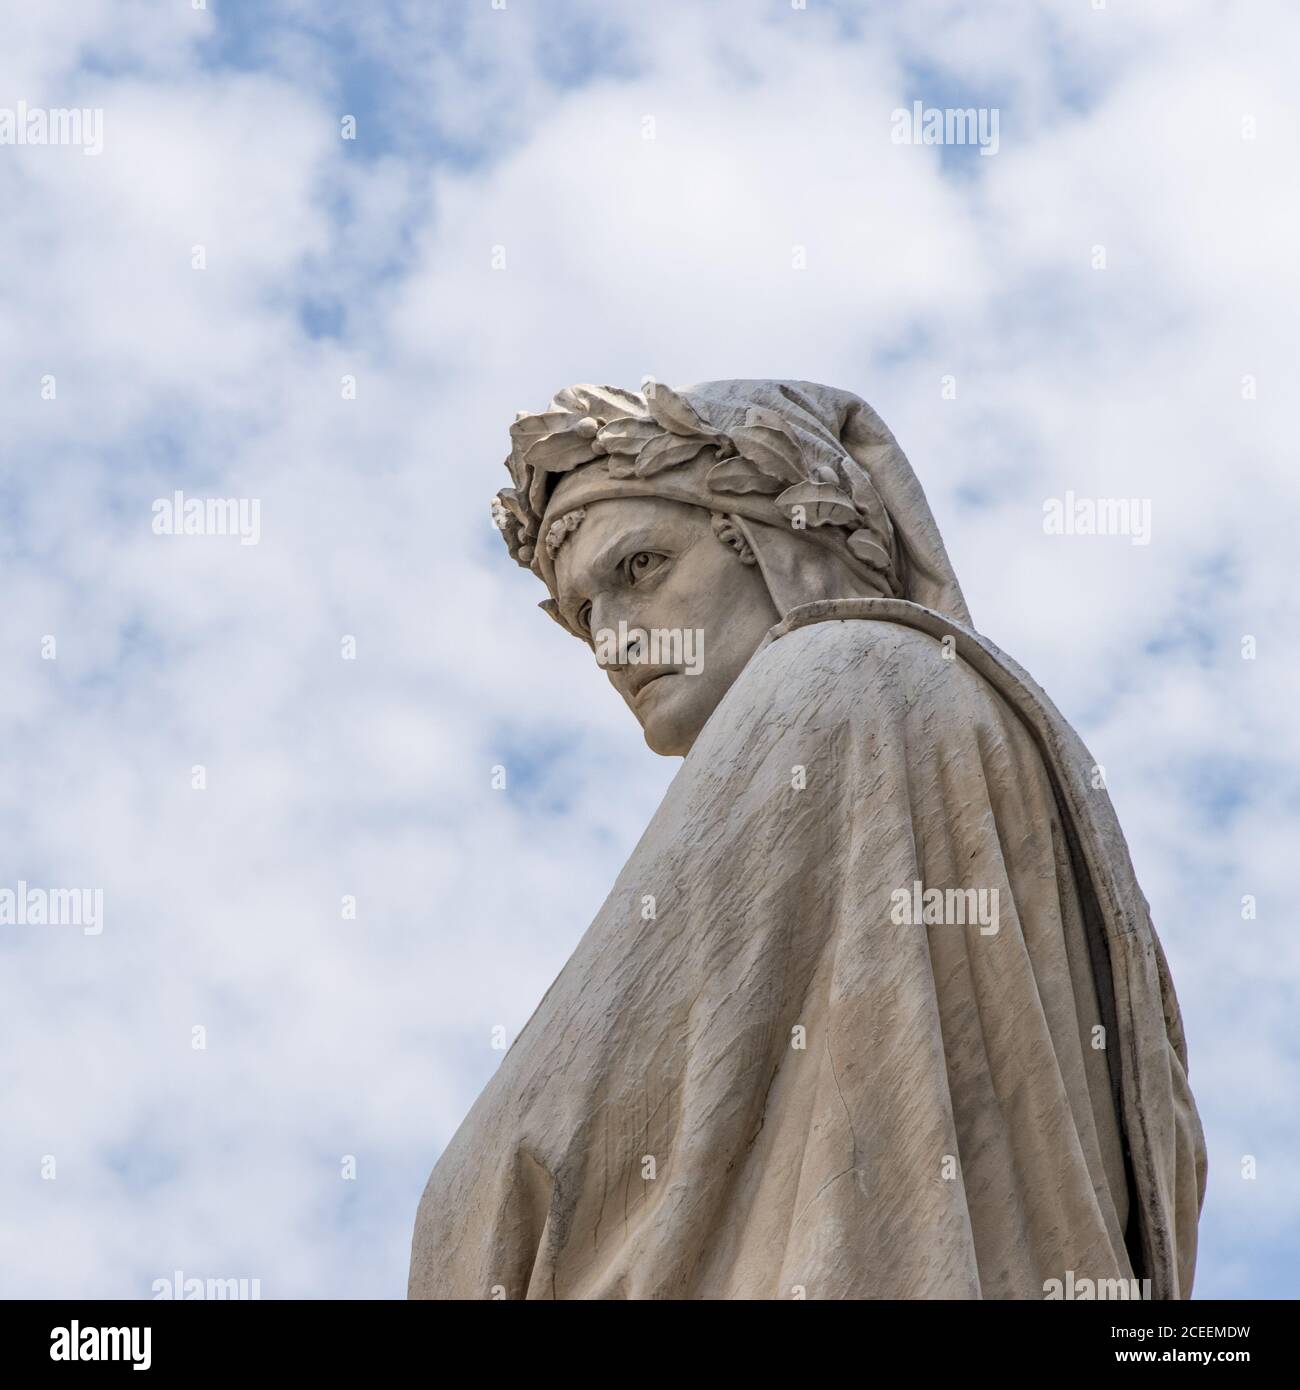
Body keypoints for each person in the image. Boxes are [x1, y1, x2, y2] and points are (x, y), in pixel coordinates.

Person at [409, 378, 1206, 1300]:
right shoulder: (965, 720)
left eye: (641, 569)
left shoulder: (841, 677)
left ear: (775, 537)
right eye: (586, 614)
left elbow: (523, 1152)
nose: (614, 644)